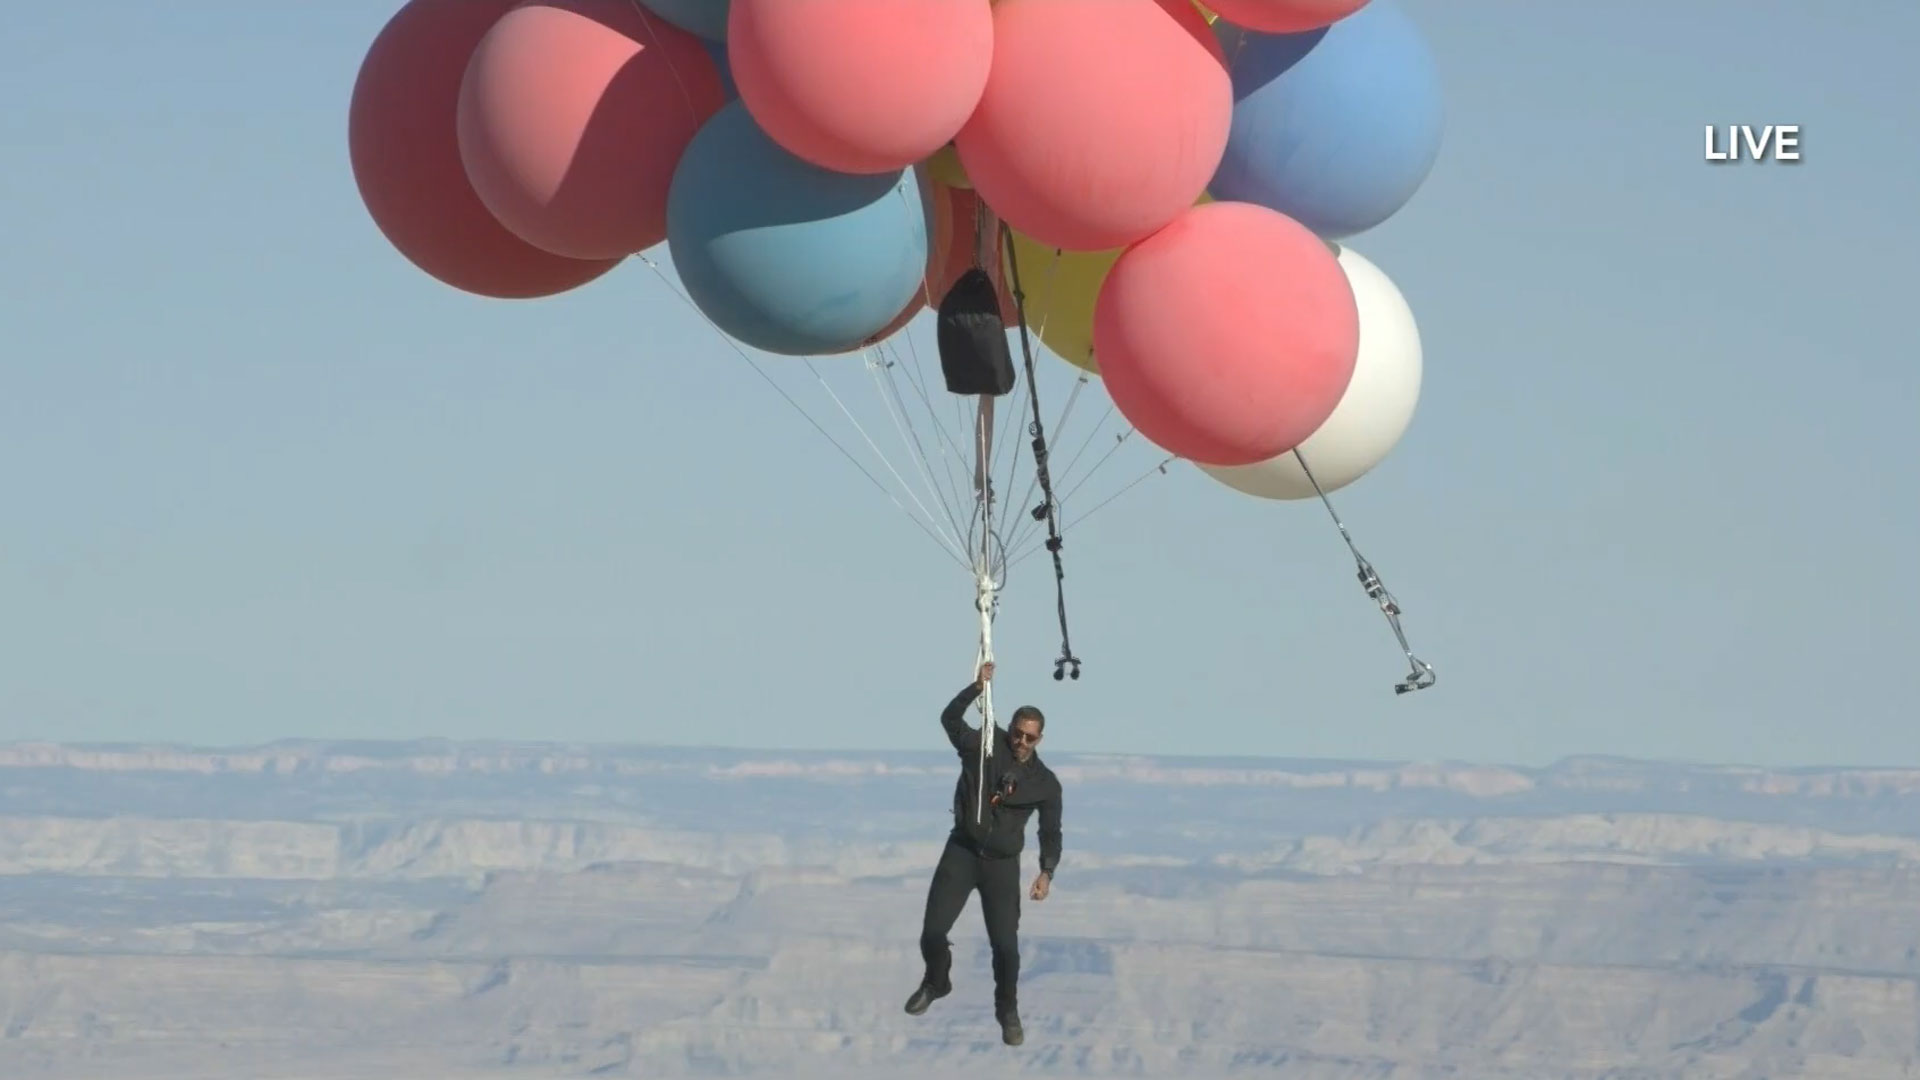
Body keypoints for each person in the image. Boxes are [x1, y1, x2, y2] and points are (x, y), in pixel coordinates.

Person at [903, 659, 1062, 1047]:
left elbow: (1050, 830)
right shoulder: (986, 746)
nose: (1022, 743)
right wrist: (976, 687)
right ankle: (937, 981)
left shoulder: (1045, 783)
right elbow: (950, 720)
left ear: (1040, 739)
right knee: (932, 934)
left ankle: (1006, 1009)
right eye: (1019, 735)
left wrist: (1046, 872)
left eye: (1031, 738)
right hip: (962, 853)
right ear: (1011, 730)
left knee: (1006, 948)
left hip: (1001, 868)